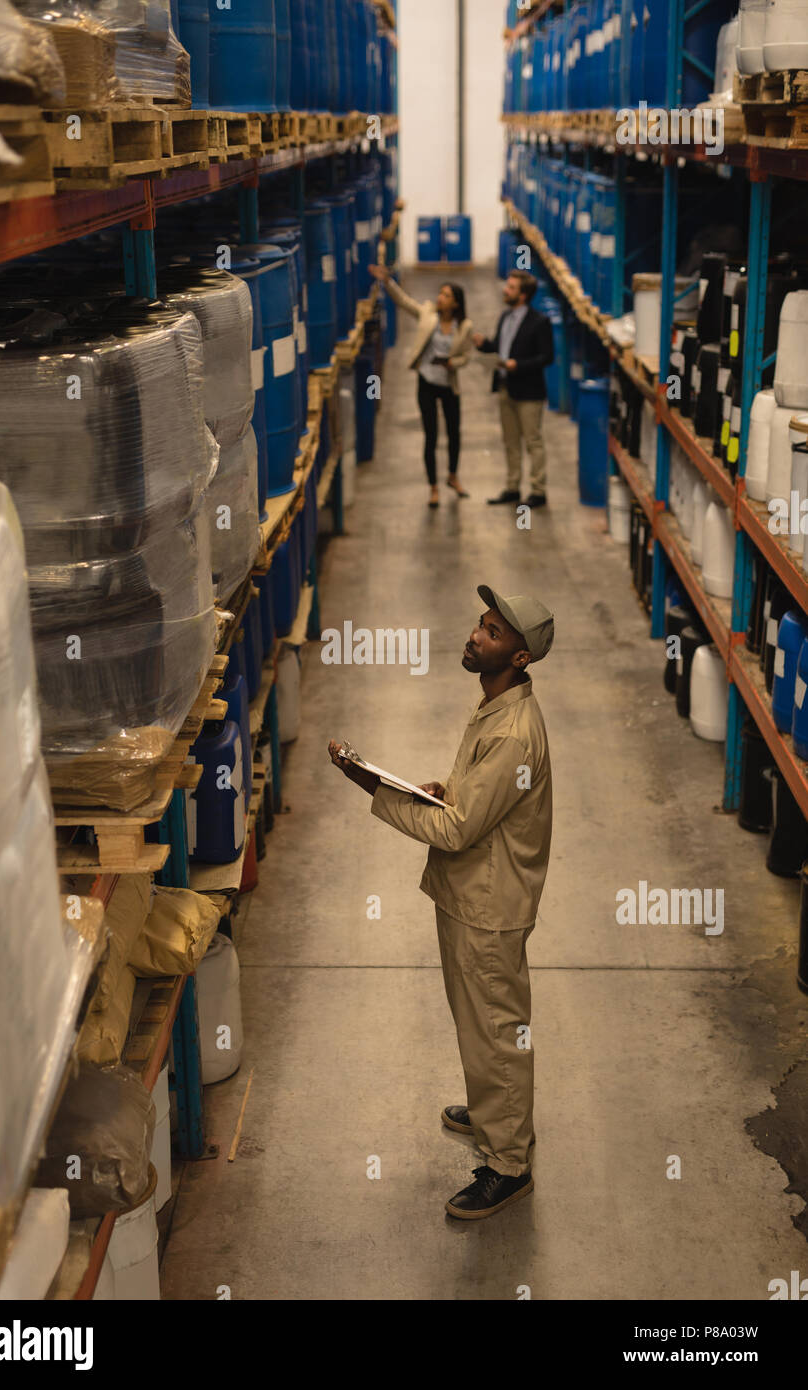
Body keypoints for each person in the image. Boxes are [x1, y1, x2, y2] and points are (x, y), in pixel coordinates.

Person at [328, 586, 554, 1220]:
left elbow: (458, 830)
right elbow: (475, 802)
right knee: (477, 1023)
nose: (476, 636)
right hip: (471, 894)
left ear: (521, 658)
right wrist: (443, 789)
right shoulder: (494, 706)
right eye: (480, 625)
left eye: (493, 633)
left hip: (488, 903)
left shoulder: (512, 732)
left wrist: (374, 787)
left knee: (496, 1032)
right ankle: (491, 1112)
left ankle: (507, 1165)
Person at [369, 264, 473, 508]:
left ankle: (453, 476)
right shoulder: (427, 313)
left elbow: (466, 357)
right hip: (426, 381)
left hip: (449, 384)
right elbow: (404, 302)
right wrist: (388, 282)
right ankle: (433, 488)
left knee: (454, 433)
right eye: (441, 293)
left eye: (446, 295)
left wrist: (452, 363)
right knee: (431, 435)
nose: (440, 298)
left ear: (456, 303)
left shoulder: (464, 326)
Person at [472, 270, 554, 509]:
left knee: (532, 441)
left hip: (529, 391)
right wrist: (484, 345)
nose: (505, 291)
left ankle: (538, 491)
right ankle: (512, 487)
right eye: (507, 286)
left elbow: (546, 357)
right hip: (506, 387)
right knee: (510, 442)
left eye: (511, 288)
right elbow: (500, 347)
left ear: (523, 294)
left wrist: (518, 365)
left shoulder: (539, 322)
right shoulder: (505, 317)